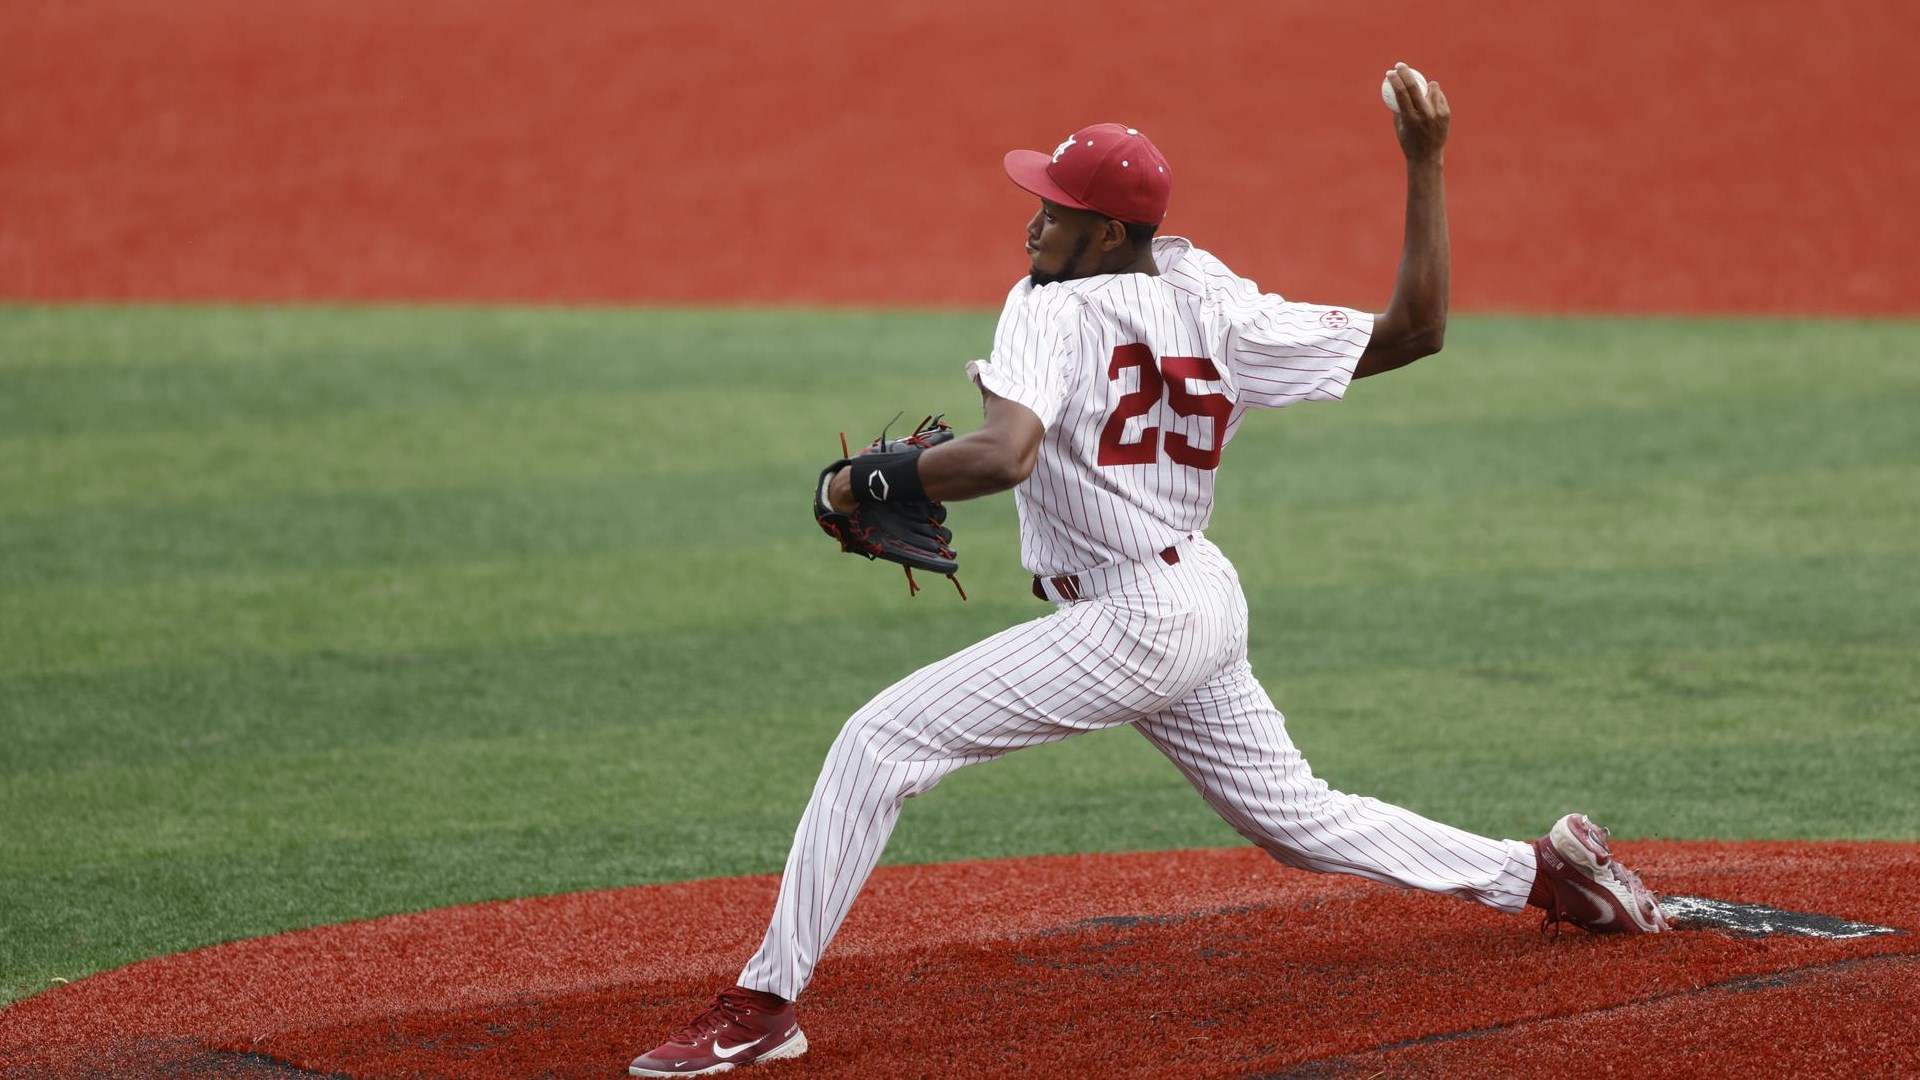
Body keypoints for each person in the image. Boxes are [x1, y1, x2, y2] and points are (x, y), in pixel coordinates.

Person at [627, 63, 1668, 1078]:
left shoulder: (1044, 308)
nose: (1034, 222)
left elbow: (1003, 456)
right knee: (1297, 819)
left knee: (879, 740)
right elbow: (1418, 330)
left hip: (1130, 620)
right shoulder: (1208, 295)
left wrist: (861, 482)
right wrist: (1426, 161)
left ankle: (762, 1008)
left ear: (1110, 234)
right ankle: (1544, 873)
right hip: (1198, 598)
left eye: (1057, 210)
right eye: (1039, 202)